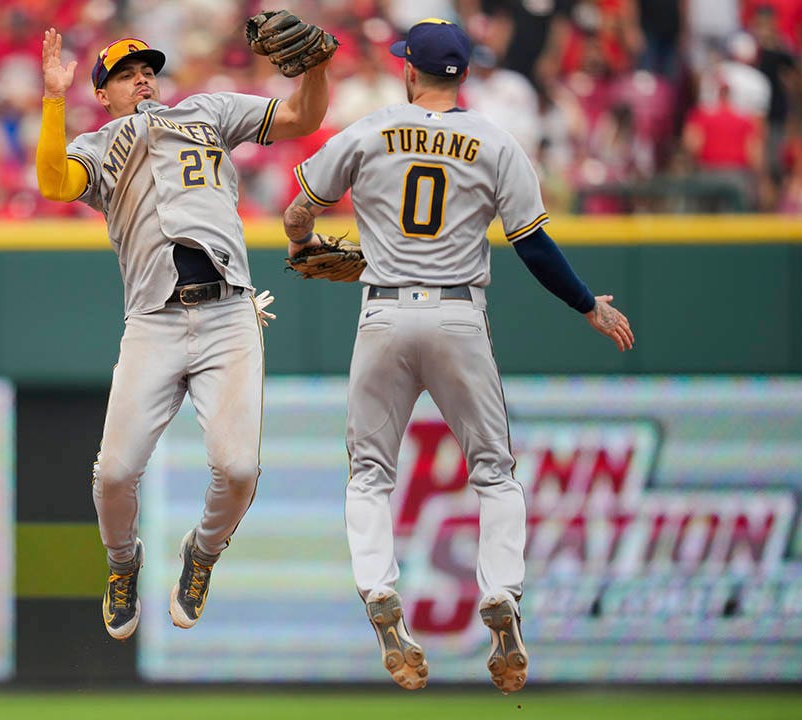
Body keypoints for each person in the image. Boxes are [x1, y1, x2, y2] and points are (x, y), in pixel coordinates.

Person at [281, 19, 633, 692]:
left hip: (383, 309)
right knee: (495, 473)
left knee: (369, 476)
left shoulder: (371, 128)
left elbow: (300, 211)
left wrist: (302, 242)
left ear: (410, 70)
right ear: (461, 74)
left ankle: (379, 592)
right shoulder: (494, 141)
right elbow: (533, 246)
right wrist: (588, 304)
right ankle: (500, 593)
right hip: (458, 313)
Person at [36, 28, 329, 640]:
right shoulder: (96, 143)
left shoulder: (209, 111)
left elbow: (302, 116)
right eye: (124, 73)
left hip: (229, 316)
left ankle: (202, 554)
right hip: (153, 321)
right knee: (113, 474)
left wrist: (316, 69)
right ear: (103, 92)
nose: (141, 78)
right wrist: (52, 102)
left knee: (239, 468)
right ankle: (123, 564)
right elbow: (53, 183)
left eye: (147, 69)